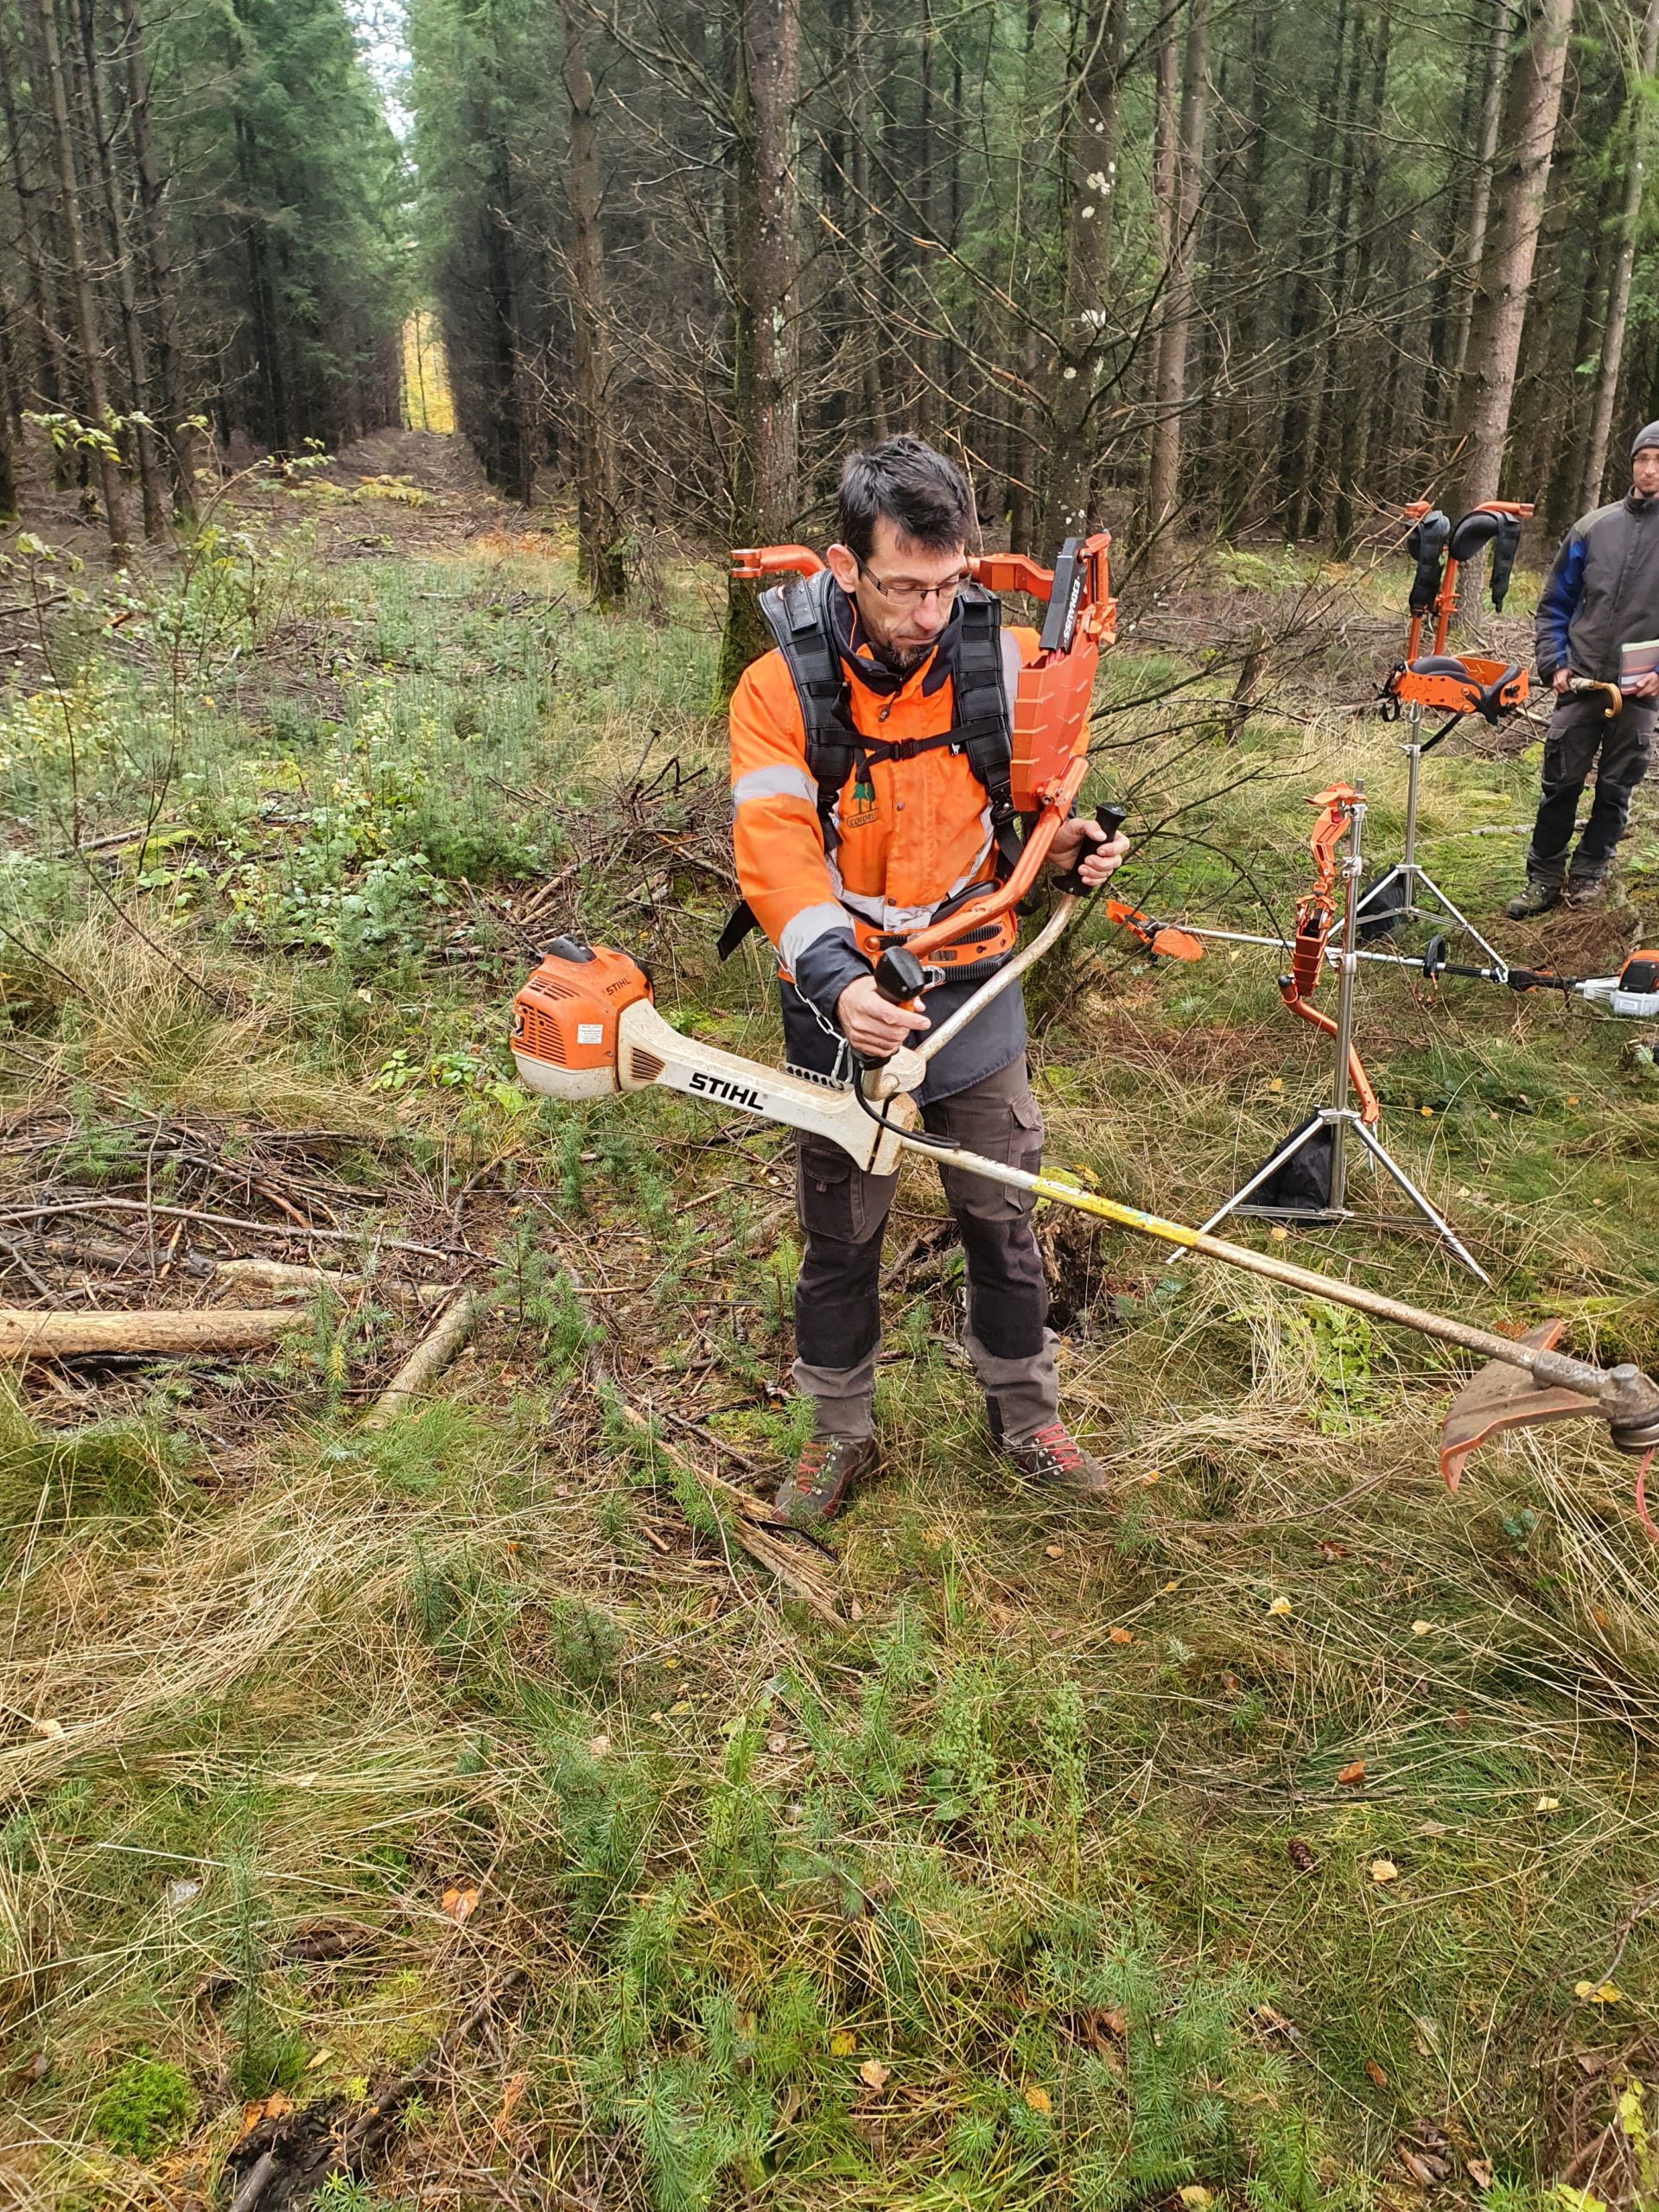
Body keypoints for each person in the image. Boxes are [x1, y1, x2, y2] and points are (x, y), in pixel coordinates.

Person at [727, 435, 1128, 1525]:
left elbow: (1031, 820)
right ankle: (835, 1431)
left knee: (1003, 1212)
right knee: (841, 1227)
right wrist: (830, 978)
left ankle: (1025, 1414)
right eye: (905, 586)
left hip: (976, 985)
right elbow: (772, 847)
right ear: (842, 565)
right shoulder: (777, 689)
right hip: (843, 995)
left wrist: (1071, 851)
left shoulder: (1001, 665)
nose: (930, 609)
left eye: (951, 583)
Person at [1508, 422, 1659, 918]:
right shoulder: (1594, 527)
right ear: (1631, 463)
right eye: (1642, 458)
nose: (1650, 469)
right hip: (1580, 682)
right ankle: (1543, 877)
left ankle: (1590, 873)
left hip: (1639, 690)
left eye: (1658, 460)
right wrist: (1554, 663)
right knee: (1561, 783)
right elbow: (1555, 604)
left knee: (1616, 788)